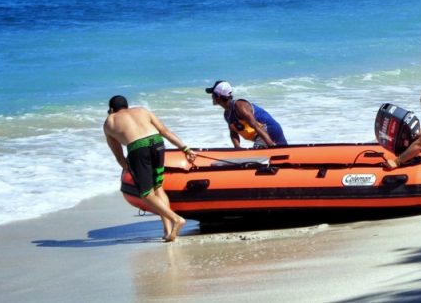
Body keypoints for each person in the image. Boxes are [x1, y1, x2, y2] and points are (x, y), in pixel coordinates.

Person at [103, 95, 197, 242]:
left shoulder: (110, 121)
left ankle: (176, 219)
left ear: (111, 110)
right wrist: (185, 149)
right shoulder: (142, 110)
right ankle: (167, 230)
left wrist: (128, 169)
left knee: (146, 194)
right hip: (157, 143)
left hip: (138, 148)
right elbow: (165, 131)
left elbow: (119, 154)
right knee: (158, 187)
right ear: (127, 106)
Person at [205, 80, 288, 148]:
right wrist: (237, 147)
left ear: (218, 96)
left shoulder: (240, 106)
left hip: (268, 130)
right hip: (260, 136)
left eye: (213, 94)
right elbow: (233, 132)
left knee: (262, 159)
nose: (212, 97)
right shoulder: (227, 114)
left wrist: (271, 147)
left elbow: (256, 126)